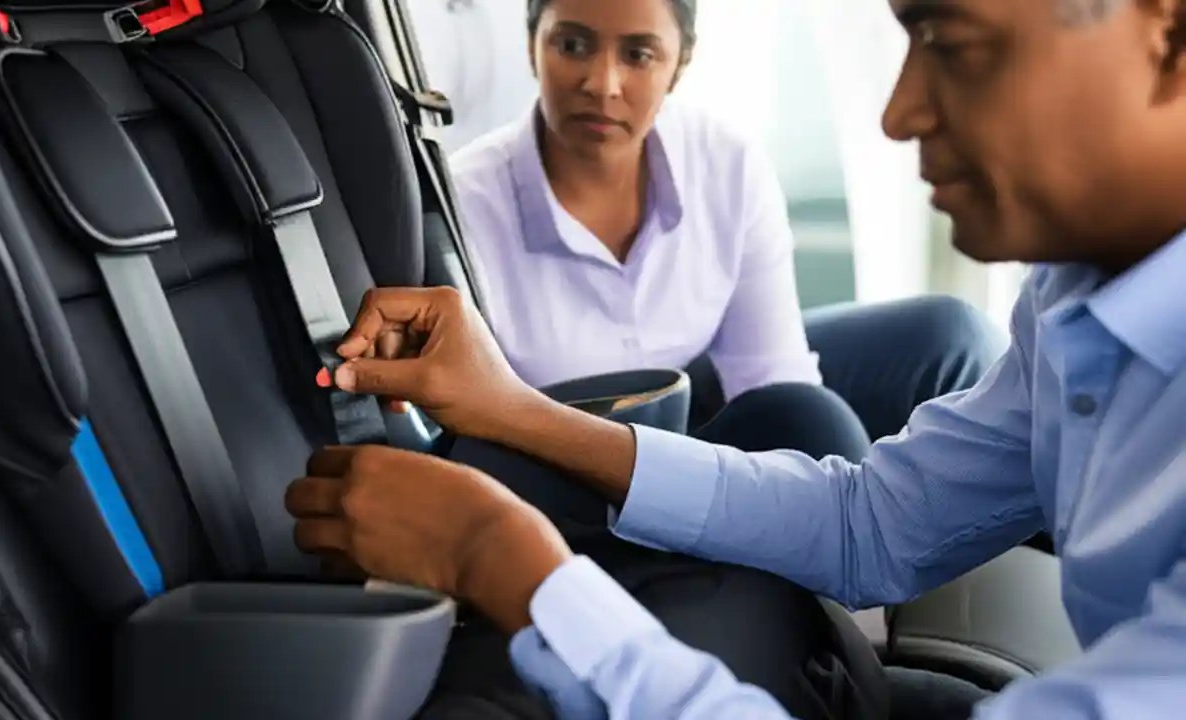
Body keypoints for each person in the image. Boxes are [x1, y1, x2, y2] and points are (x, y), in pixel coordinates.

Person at [287, 0, 1186, 718]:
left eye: (952, 40)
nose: (897, 109)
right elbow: (870, 526)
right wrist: (515, 409)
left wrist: (510, 565)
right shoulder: (1069, 292)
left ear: (1170, 35)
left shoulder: (727, 166)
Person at [450, 0, 1001, 437]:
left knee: (951, 339)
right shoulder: (461, 205)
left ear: (679, 65)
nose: (603, 83)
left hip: (701, 418)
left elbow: (773, 382)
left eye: (639, 55)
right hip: (557, 464)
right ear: (531, 47)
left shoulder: (726, 163)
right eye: (572, 45)